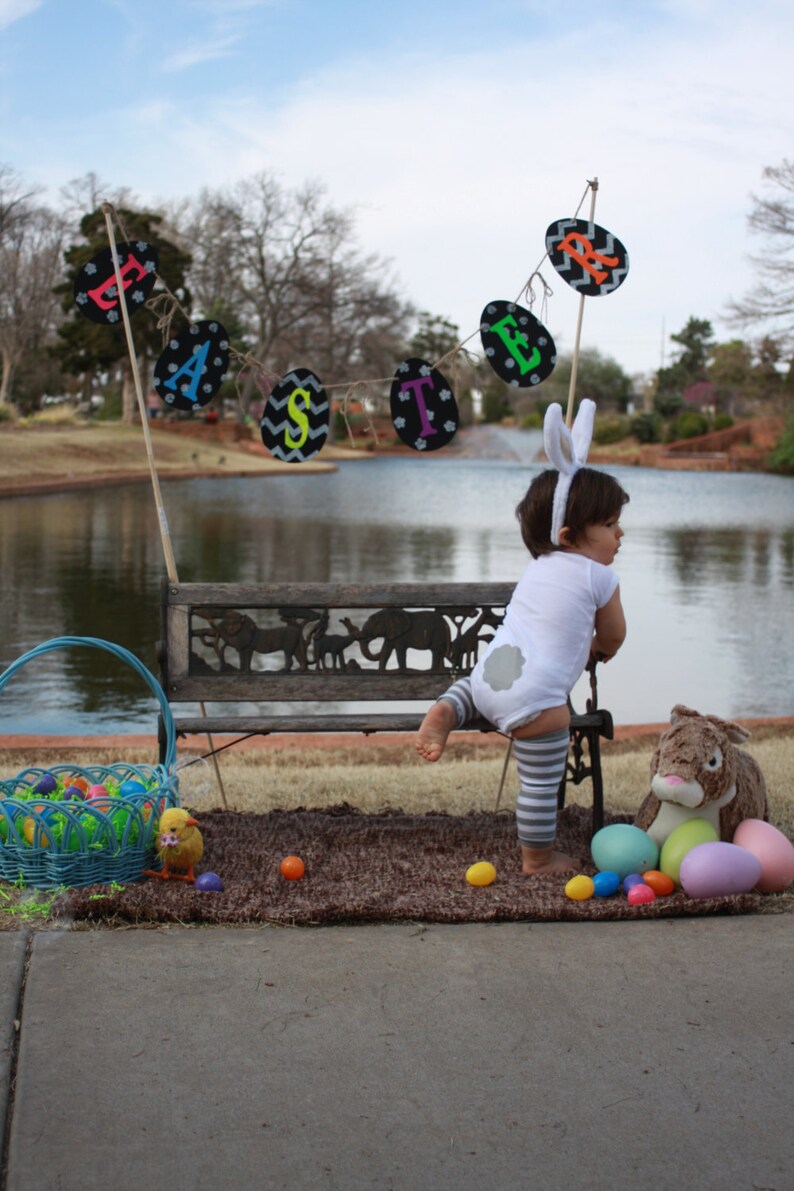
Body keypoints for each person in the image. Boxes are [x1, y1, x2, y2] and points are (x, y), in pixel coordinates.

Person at [416, 403, 629, 876]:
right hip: (537, 703)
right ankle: (538, 858)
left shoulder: (537, 567)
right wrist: (602, 650)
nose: (620, 533)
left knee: (474, 686)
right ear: (570, 534)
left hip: (492, 675)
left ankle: (449, 708)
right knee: (538, 783)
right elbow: (614, 633)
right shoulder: (600, 577)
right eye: (611, 525)